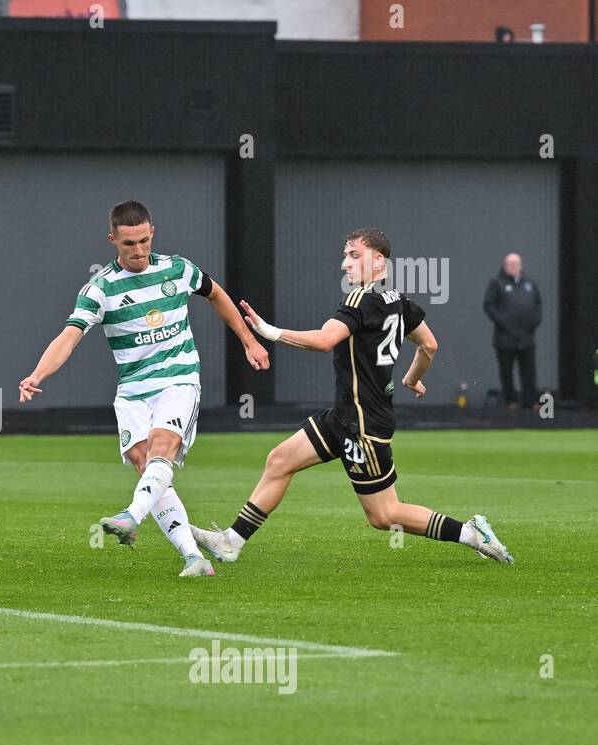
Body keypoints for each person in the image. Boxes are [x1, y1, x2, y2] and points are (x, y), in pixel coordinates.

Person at [190, 228, 513, 565]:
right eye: (345, 255)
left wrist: (270, 332)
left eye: (354, 255)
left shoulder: (361, 299)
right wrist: (413, 379)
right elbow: (429, 345)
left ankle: (473, 533)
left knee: (384, 515)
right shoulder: (398, 300)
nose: (345, 263)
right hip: (344, 416)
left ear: (378, 260)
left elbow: (325, 340)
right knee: (280, 460)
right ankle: (232, 541)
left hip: (363, 423)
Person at [18, 200, 269, 577]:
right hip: (133, 390)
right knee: (145, 464)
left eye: (143, 241)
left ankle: (130, 516)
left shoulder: (178, 269)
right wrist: (38, 374)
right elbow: (69, 337)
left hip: (178, 380)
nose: (137, 251)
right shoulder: (100, 289)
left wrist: (249, 341)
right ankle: (194, 557)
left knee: (161, 448)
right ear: (112, 241)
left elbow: (216, 294)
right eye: (128, 244)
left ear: (153, 233)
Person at [483, 252, 543, 411]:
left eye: (516, 264)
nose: (514, 267)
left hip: (527, 336)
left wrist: (533, 324)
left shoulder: (530, 284)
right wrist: (504, 322)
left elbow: (538, 306)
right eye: (510, 264)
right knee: (506, 371)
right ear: (504, 266)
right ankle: (511, 401)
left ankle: (530, 401)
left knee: (529, 371)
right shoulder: (497, 283)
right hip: (505, 337)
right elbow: (489, 305)